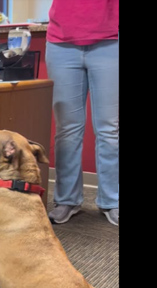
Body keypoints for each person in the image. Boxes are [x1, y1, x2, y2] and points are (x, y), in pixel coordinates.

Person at [45, 0, 119, 226]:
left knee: (109, 129)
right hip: (61, 42)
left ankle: (112, 201)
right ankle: (67, 200)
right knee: (67, 129)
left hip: (110, 41)